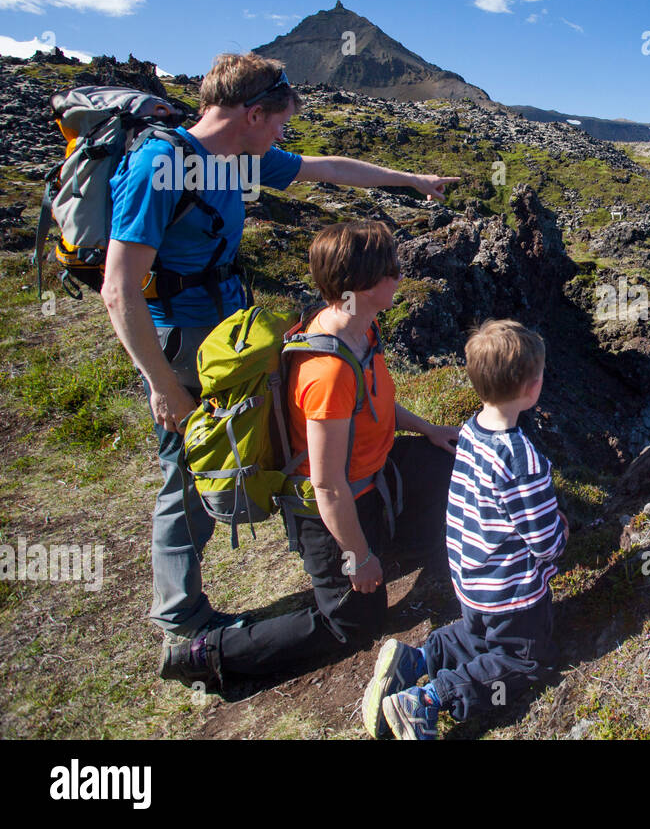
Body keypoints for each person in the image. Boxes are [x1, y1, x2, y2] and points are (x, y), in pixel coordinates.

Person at [100, 53, 460, 674]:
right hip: (183, 344)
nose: (283, 138)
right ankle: (181, 623)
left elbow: (325, 169)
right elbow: (118, 288)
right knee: (192, 470)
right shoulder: (160, 164)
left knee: (268, 440)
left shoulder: (241, 152)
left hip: (236, 332)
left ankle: (319, 530)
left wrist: (408, 180)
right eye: (279, 124)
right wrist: (162, 385)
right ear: (251, 112)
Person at [158, 220, 461, 685]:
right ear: (359, 286)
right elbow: (326, 484)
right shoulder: (327, 372)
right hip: (328, 508)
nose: (400, 275)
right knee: (353, 625)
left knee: (452, 468)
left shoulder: (360, 325)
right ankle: (207, 654)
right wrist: (358, 556)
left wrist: (429, 429)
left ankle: (389, 540)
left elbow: (373, 400)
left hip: (377, 474)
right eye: (390, 269)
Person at [361, 319, 567, 740]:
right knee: (524, 660)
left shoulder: (472, 431)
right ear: (532, 387)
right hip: (510, 594)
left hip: (472, 581)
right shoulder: (521, 460)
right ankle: (428, 699)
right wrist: (562, 530)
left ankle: (415, 661)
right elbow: (545, 541)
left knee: (477, 634)